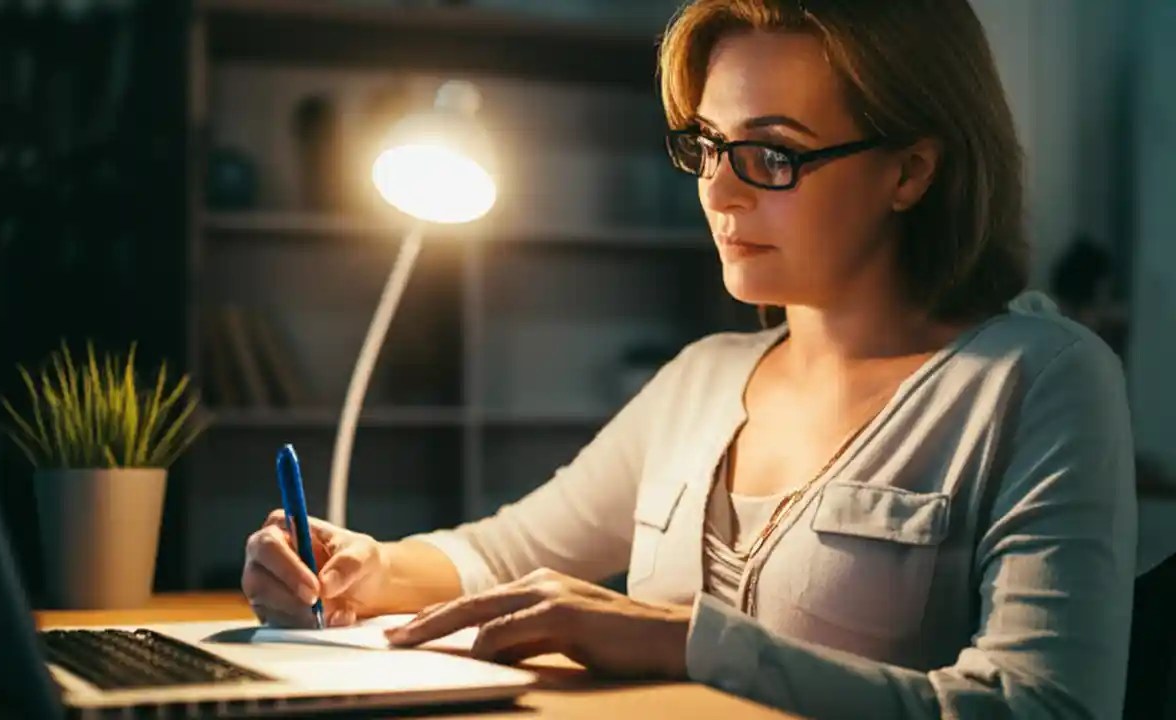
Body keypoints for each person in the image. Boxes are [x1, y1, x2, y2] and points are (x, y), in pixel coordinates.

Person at [242, 1, 1137, 717]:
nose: (718, 189)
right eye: (706, 145)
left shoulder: (1037, 377)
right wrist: (361, 571)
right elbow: (505, 555)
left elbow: (1042, 704)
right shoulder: (703, 378)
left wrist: (677, 639)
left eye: (771, 154)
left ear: (911, 170)